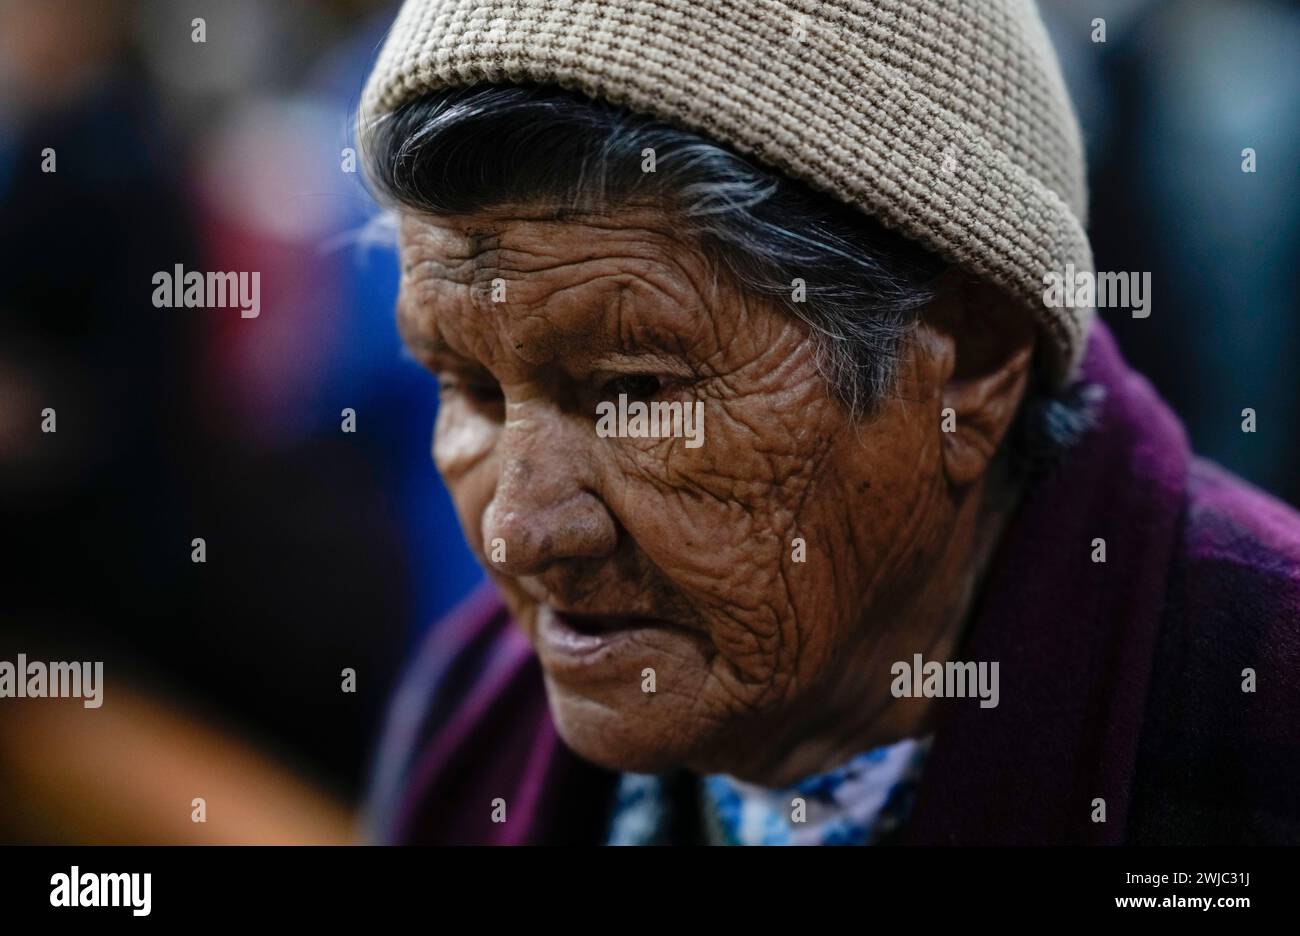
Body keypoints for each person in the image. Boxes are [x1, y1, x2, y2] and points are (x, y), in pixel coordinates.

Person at [356, 0, 1300, 845]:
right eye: (470, 386)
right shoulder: (467, 715)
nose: (518, 532)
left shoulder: (1262, 717)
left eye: (634, 391)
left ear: (968, 368)